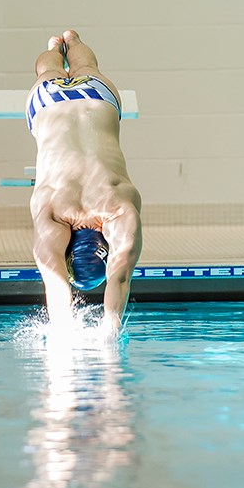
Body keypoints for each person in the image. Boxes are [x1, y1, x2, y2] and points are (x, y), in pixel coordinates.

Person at [27, 29, 143, 333]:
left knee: (88, 68)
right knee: (47, 70)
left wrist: (110, 326)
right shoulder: (50, 211)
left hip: (96, 99)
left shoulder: (119, 206)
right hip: (48, 101)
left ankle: (70, 42)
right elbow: (55, 282)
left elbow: (119, 276)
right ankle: (56, 47)